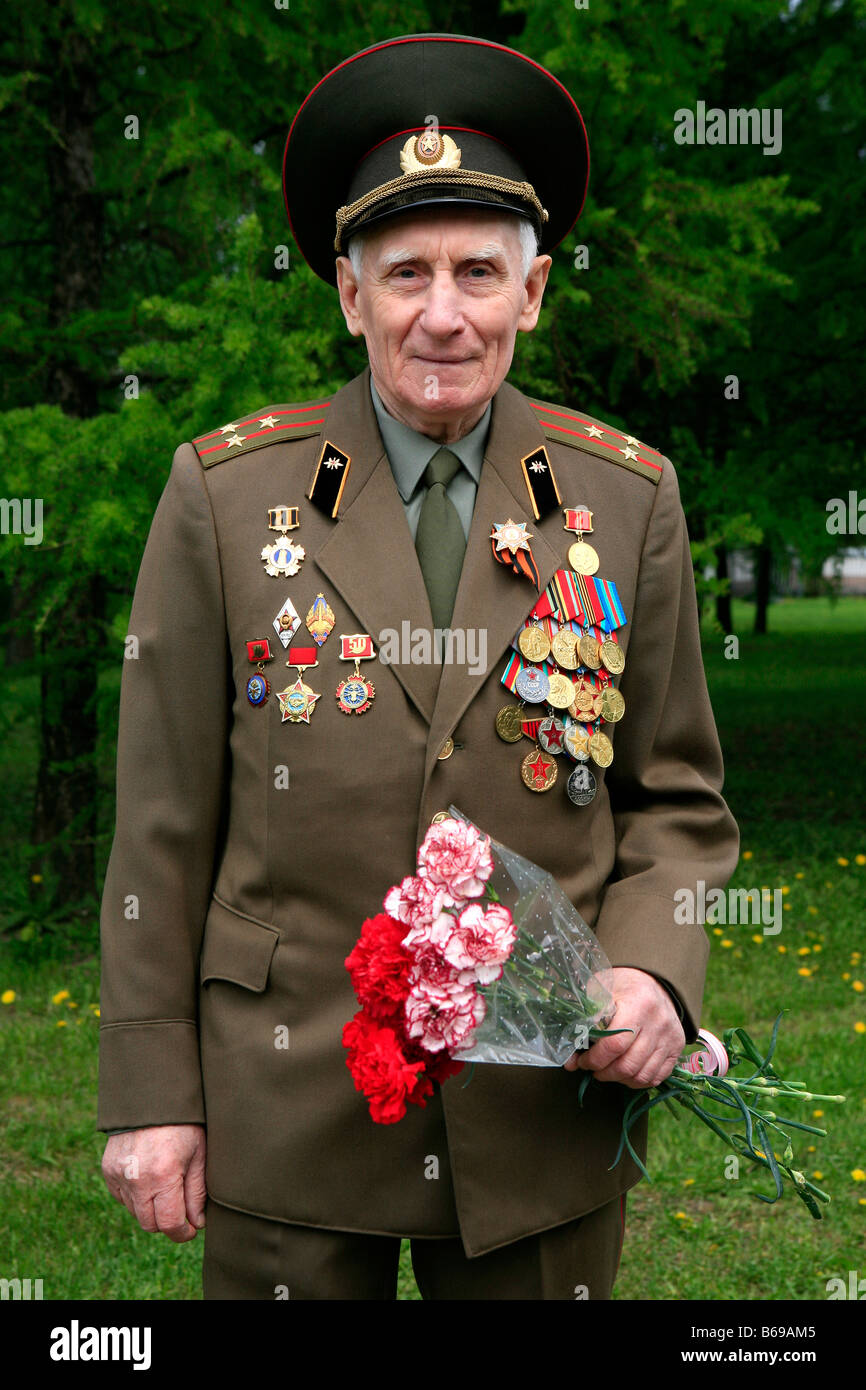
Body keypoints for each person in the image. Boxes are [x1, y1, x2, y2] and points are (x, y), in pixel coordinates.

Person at [99, 32, 739, 1300]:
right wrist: (151, 1089)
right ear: (349, 295)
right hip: (287, 1090)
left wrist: (655, 965)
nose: (441, 313)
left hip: (537, 1099)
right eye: (404, 274)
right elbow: (162, 824)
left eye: (475, 272)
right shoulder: (226, 498)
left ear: (533, 291)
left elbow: (673, 800)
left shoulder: (622, 496)